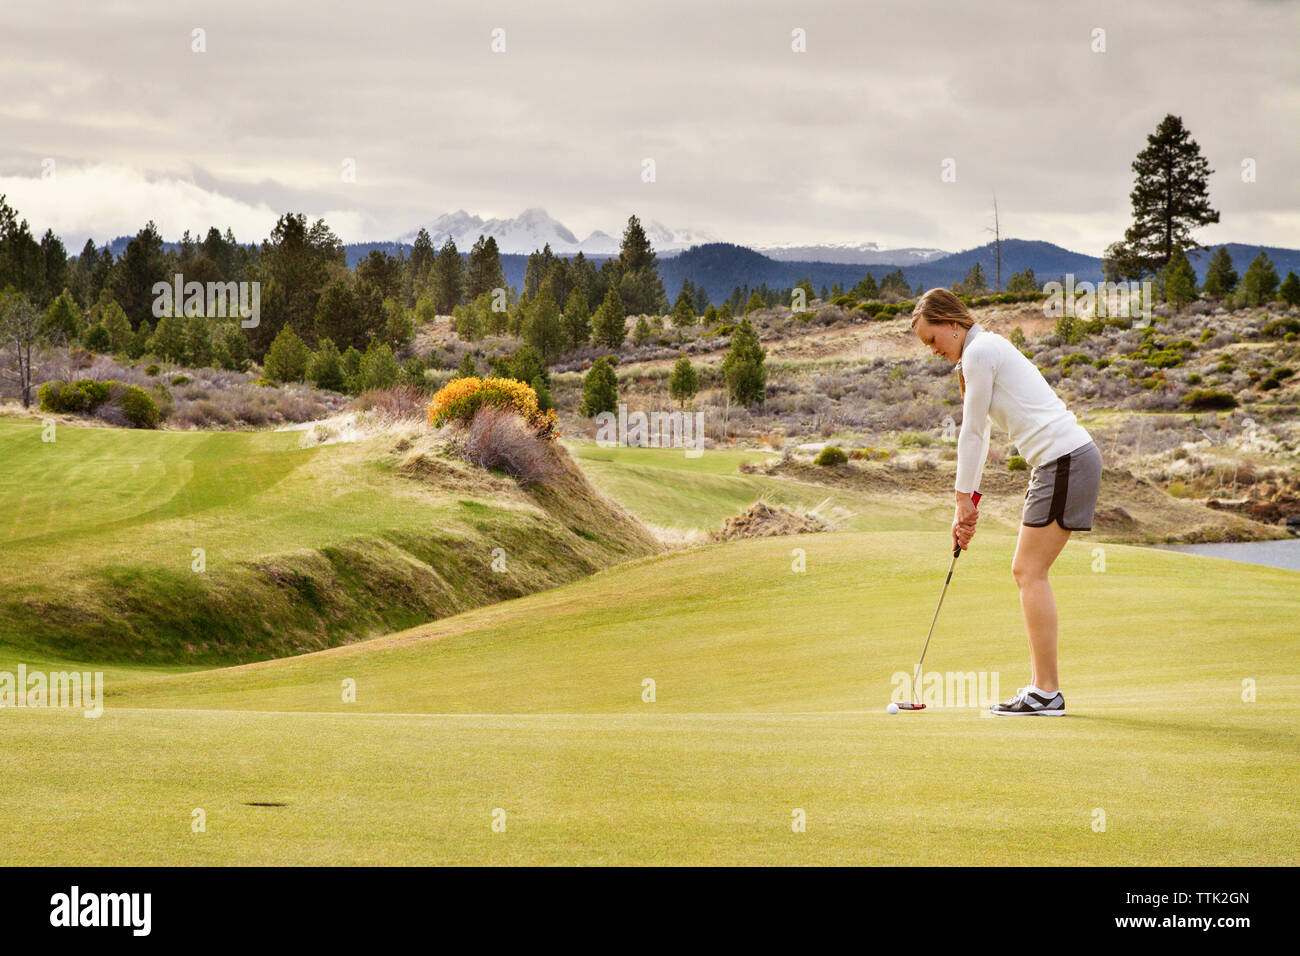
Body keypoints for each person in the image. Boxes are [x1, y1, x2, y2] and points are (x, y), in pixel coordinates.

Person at [910, 288, 1102, 716]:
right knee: (1028, 570)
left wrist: (963, 502)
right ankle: (1042, 689)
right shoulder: (982, 351)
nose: (932, 350)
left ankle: (1046, 692)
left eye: (932, 339)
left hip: (1064, 459)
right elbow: (981, 436)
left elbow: (973, 432)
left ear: (952, 325)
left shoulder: (980, 352)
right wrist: (970, 499)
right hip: (1061, 461)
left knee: (1028, 570)